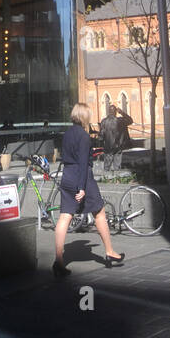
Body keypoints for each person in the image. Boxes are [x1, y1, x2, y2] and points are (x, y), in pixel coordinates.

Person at [53, 102, 124, 276]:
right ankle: (109, 252)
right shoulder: (84, 137)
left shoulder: (67, 134)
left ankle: (58, 260)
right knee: (99, 212)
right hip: (82, 177)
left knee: (65, 216)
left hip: (67, 175)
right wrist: (81, 188)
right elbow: (84, 162)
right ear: (85, 117)